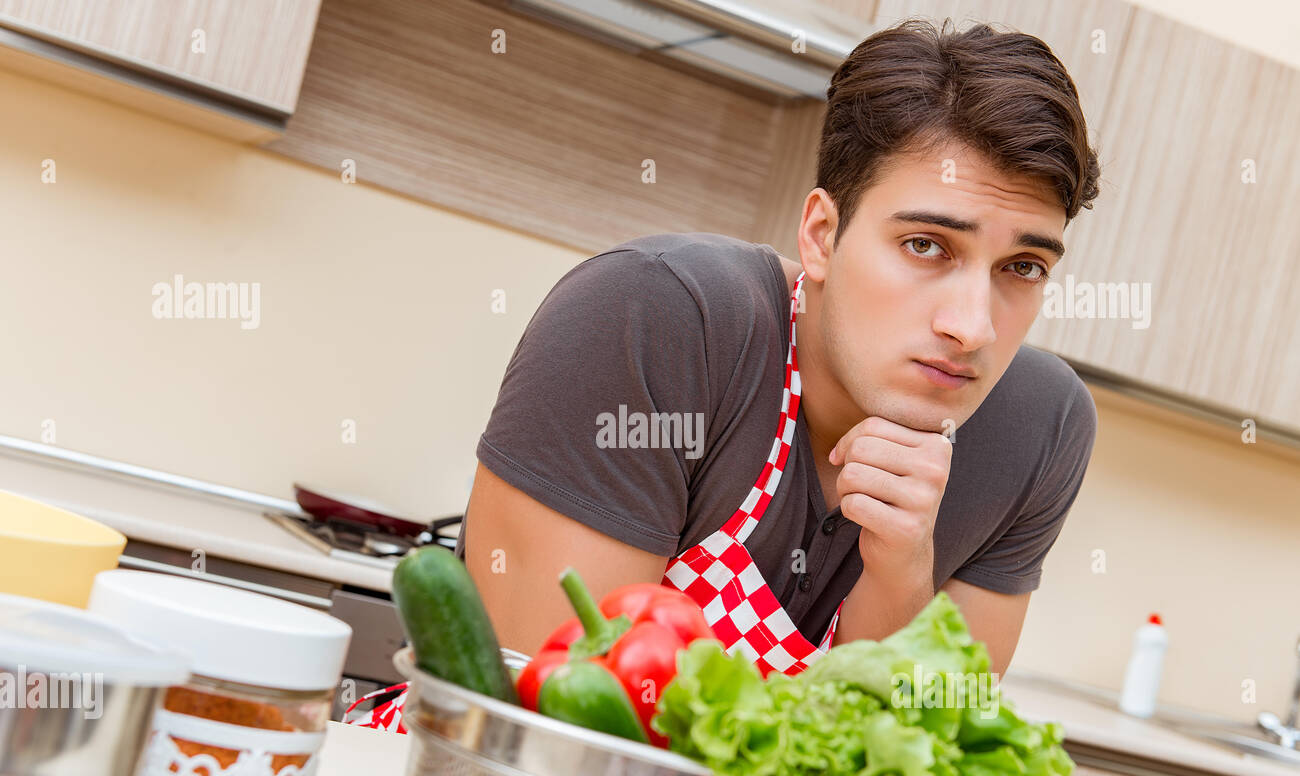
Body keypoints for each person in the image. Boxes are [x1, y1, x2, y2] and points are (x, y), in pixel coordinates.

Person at [346, 17, 1101, 732]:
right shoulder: (655, 317)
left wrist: (901, 576)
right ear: (821, 236)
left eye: (1023, 267)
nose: (970, 325)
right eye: (927, 246)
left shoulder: (1036, 431)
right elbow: (555, 737)